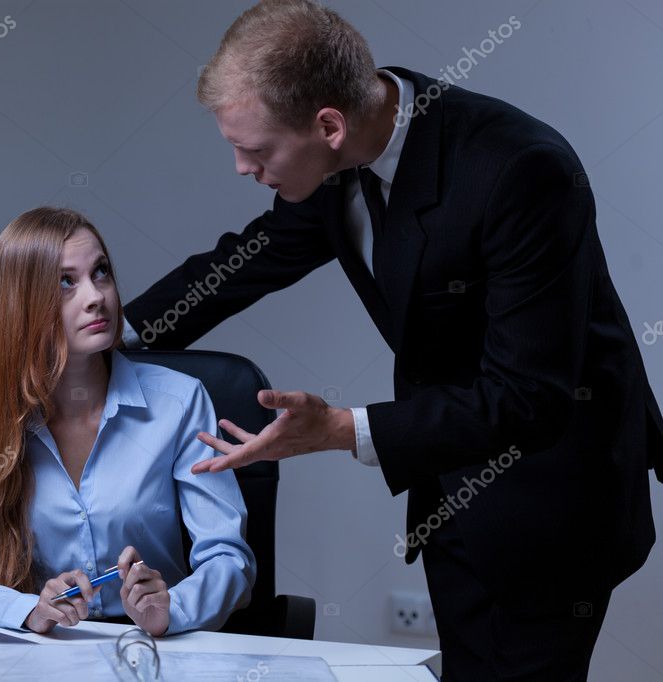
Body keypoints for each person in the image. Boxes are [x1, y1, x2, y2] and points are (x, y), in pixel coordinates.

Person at [120, 1, 661, 679]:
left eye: (255, 150)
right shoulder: (334, 155)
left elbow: (529, 396)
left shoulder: (519, 167)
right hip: (450, 478)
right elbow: (252, 257)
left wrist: (341, 428)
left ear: (328, 125)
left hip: (550, 489)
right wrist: (113, 332)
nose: (240, 168)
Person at [0, 206, 255, 637]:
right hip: (44, 653)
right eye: (65, 282)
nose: (97, 296)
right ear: (21, 304)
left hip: (151, 650)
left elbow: (229, 558)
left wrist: (172, 608)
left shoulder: (179, 403)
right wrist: (27, 609)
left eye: (102, 272)